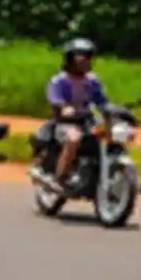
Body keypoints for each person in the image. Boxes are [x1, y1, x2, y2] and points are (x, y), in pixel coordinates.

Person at [40, 37, 110, 192]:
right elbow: (55, 99)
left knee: (109, 135)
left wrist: (113, 110)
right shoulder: (59, 81)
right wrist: (64, 107)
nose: (85, 61)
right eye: (80, 57)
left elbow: (102, 101)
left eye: (88, 56)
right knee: (74, 138)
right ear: (70, 59)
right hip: (65, 123)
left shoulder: (93, 81)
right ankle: (61, 177)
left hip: (87, 121)